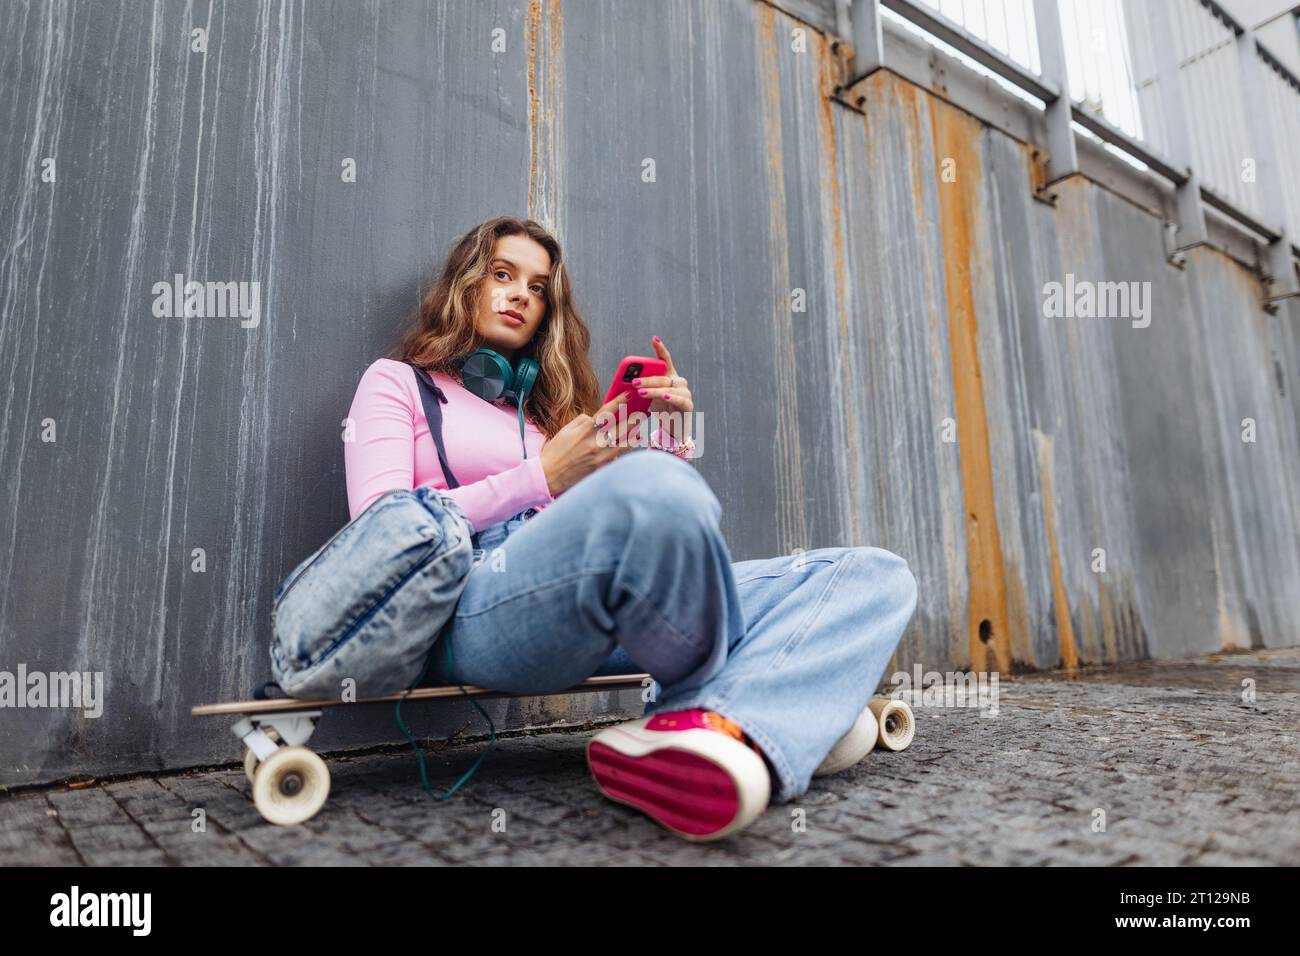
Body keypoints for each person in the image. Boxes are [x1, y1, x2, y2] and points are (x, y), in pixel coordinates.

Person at [343, 215, 918, 842]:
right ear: (466, 283)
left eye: (538, 288)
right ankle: (762, 722)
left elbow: (649, 524)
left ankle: (695, 733)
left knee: (875, 575)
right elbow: (380, 535)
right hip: (470, 606)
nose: (519, 295)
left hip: (594, 606)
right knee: (650, 489)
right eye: (502, 274)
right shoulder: (397, 382)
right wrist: (540, 476)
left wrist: (669, 438)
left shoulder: (542, 418)